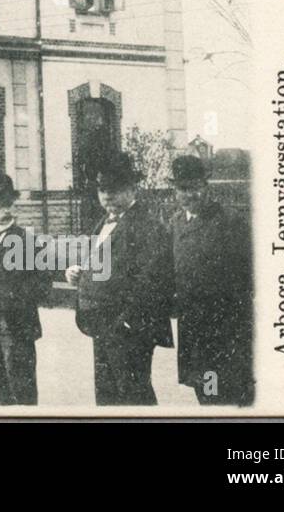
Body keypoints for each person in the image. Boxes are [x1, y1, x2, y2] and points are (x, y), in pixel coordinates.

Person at [68, 151, 174, 406]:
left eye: (115, 189)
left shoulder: (148, 226)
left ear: (131, 189)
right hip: (101, 324)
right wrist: (79, 273)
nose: (107, 195)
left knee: (134, 395)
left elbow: (154, 281)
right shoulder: (102, 224)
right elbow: (102, 264)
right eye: (102, 189)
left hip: (129, 328)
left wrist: (127, 323)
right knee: (107, 395)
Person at [169, 155, 254, 406]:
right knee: (204, 387)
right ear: (175, 190)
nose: (189, 195)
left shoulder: (229, 221)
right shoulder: (176, 223)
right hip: (192, 323)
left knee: (224, 389)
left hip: (224, 324)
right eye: (183, 189)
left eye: (195, 188)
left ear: (205, 187)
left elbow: (246, 273)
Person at [0, 173, 53, 405]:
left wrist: (16, 299)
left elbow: (44, 284)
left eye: (8, 204)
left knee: (21, 381)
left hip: (16, 325)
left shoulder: (26, 240)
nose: (5, 210)